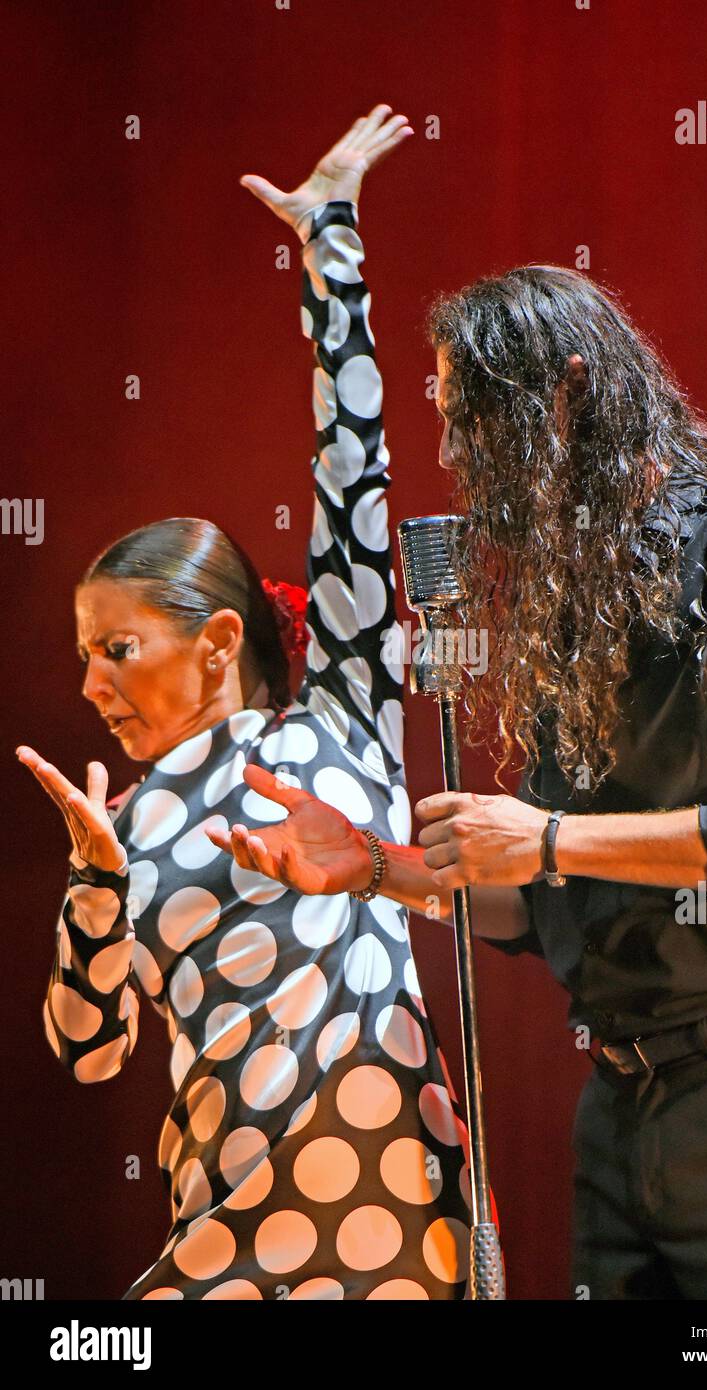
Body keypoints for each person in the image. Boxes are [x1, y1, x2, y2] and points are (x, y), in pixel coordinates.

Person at [222, 261, 707, 1300]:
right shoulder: (580, 608)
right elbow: (549, 899)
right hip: (621, 1108)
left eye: (472, 418)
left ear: (568, 395)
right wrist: (380, 867)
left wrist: (554, 839)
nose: (451, 454)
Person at [18, 105, 475, 1302]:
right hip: (219, 1234)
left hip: (390, 1218)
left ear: (219, 639)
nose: (89, 682)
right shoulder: (124, 824)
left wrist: (330, 246)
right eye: (82, 655)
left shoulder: (334, 717)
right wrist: (93, 887)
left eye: (116, 646)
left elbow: (352, 466)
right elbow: (87, 1048)